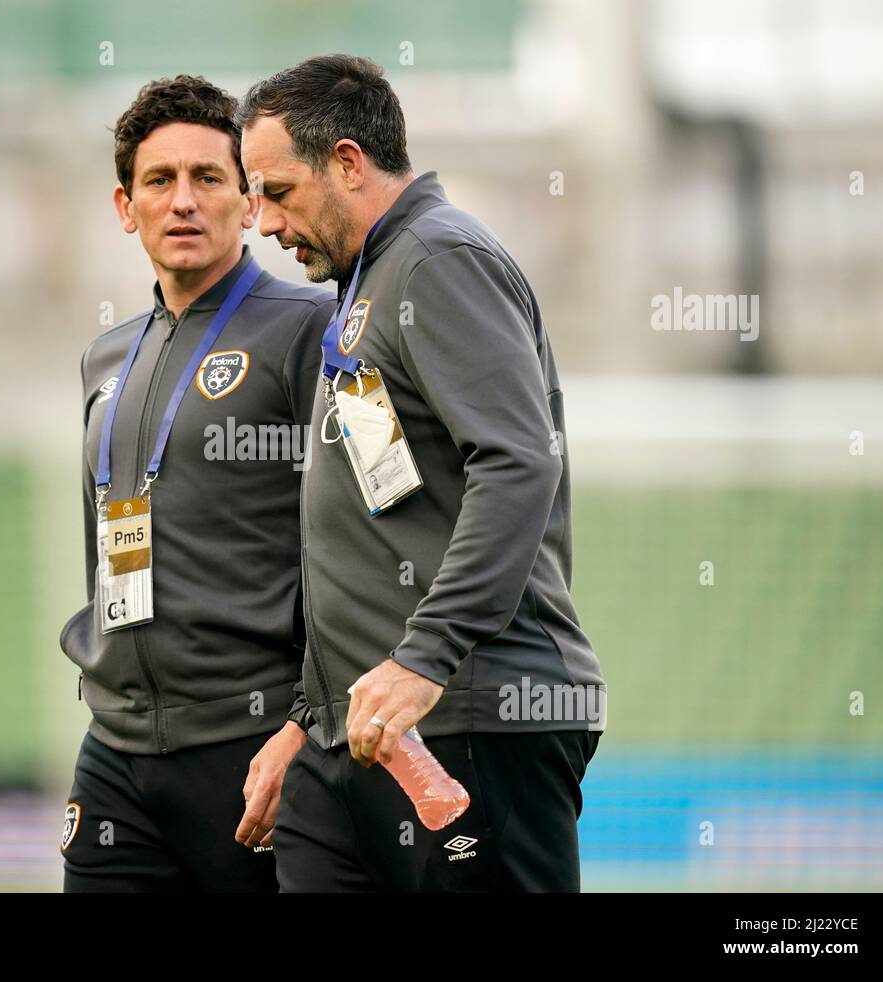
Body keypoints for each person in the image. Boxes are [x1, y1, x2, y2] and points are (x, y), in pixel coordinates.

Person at [238, 54, 607, 892]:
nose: (260, 220)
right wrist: (311, 716)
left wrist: (425, 660)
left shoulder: (440, 259)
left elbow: (517, 463)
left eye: (276, 191)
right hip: (361, 736)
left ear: (346, 162)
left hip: (470, 715)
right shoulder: (371, 281)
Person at [57, 75, 333, 892]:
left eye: (208, 178)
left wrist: (307, 725)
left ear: (249, 202)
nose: (183, 200)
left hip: (254, 749)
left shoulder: (311, 330)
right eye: (159, 180)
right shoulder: (105, 358)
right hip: (118, 752)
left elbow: (366, 543)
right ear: (124, 205)